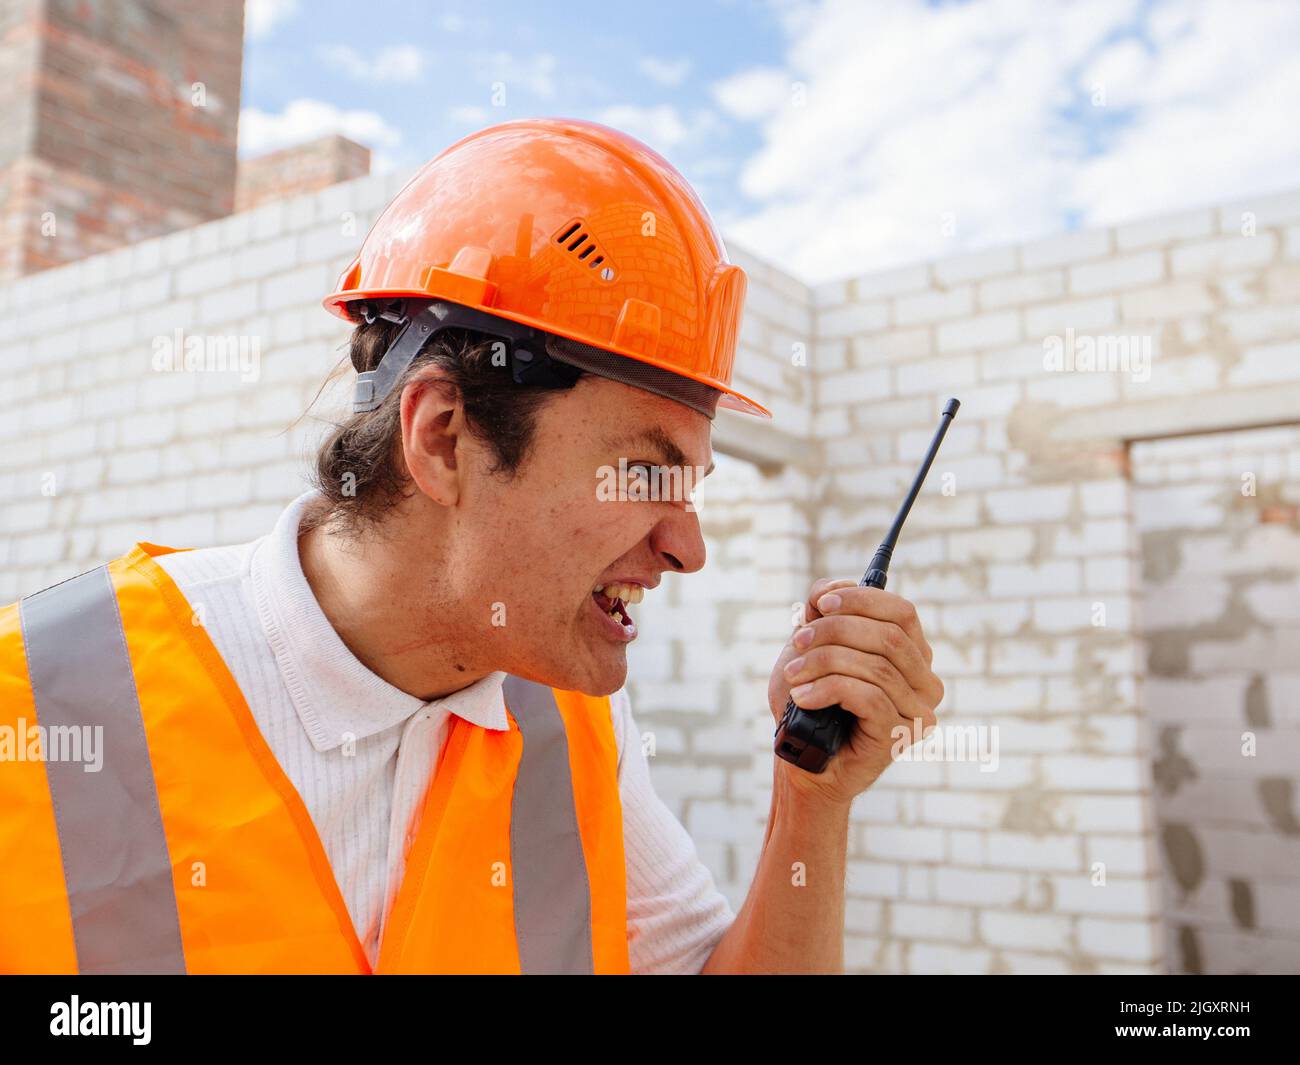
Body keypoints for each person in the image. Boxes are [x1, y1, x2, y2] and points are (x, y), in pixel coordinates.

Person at [0, 118, 943, 974]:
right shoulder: (39, 700)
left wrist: (812, 801)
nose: (686, 545)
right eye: (644, 473)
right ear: (444, 434)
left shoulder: (569, 723)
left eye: (690, 486)